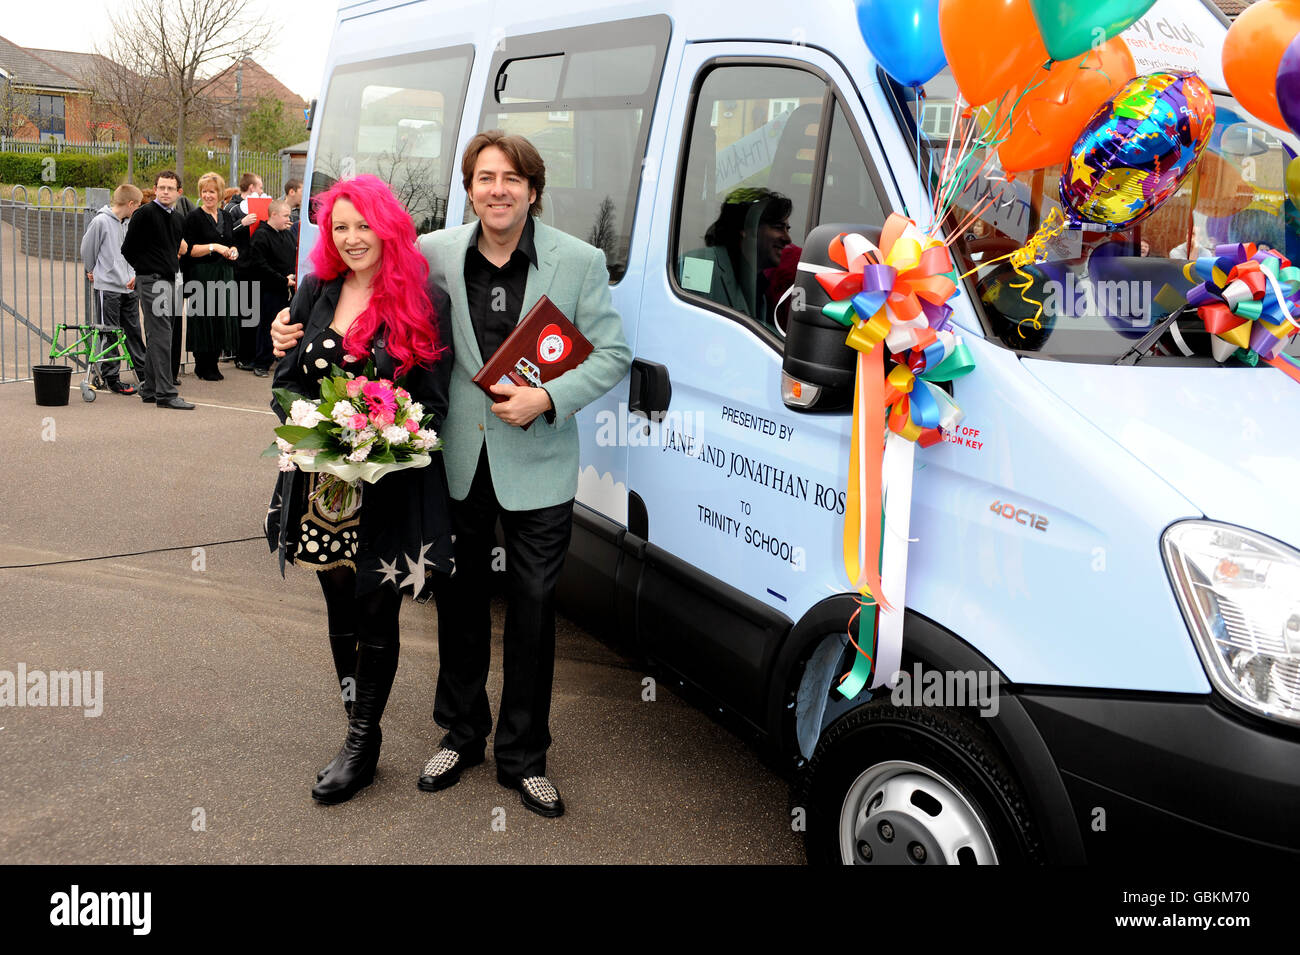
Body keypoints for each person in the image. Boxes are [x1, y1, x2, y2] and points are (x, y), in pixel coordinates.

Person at [272, 134, 632, 818]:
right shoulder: (433, 252)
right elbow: (351, 293)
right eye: (485, 178)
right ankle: (462, 733)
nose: (498, 189)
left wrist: (549, 397)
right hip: (454, 464)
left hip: (539, 464)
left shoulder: (578, 262)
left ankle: (524, 756)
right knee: (460, 604)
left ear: (532, 187)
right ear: (468, 187)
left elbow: (613, 351)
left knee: (532, 609)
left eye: (512, 178)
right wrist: (282, 331)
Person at [265, 174, 455, 805]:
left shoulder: (422, 295)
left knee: (378, 611)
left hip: (388, 486)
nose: (350, 239)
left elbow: (433, 401)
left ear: (388, 226)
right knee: (340, 613)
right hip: (324, 488)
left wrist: (383, 433)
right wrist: (311, 418)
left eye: (362, 225)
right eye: (338, 227)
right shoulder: (318, 288)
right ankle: (358, 732)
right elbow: (286, 382)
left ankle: (362, 741)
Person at [121, 170, 193, 410]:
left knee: (160, 335)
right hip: (151, 281)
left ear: (178, 192)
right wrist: (142, 272)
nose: (165, 192)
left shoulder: (178, 219)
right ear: (155, 189)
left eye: (170, 188)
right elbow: (128, 249)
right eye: (161, 187)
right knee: (162, 335)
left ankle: (150, 388)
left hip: (171, 281)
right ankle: (165, 393)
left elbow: (173, 251)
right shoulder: (144, 214)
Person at [679, 187, 793, 328]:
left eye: (787, 229)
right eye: (778, 227)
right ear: (746, 227)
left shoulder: (759, 287)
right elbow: (684, 329)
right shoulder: (699, 266)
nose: (788, 239)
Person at [81, 183, 144, 396]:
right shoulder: (100, 221)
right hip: (108, 287)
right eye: (137, 205)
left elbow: (133, 251)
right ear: (130, 203)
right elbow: (88, 248)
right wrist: (92, 270)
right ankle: (112, 378)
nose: (138, 209)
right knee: (110, 333)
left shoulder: (128, 223)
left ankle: (143, 373)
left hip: (128, 286)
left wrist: (134, 274)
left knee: (133, 331)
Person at [181, 172, 241, 381]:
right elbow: (189, 250)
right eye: (204, 191)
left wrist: (233, 250)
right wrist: (214, 247)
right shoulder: (194, 217)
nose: (208, 195)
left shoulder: (226, 216)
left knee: (220, 318)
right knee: (203, 319)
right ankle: (202, 364)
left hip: (224, 273)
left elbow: (232, 242)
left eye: (212, 191)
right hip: (202, 274)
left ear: (219, 193)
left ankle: (213, 362)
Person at [245, 198, 296, 377]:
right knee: (267, 326)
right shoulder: (261, 235)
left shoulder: (287, 234)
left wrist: (291, 277)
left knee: (284, 326)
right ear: (273, 215)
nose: (288, 219)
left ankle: (279, 359)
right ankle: (261, 362)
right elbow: (259, 265)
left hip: (285, 286)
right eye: (285, 216)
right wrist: (282, 280)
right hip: (269, 289)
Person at [226, 173, 264, 370]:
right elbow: (224, 233)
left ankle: (252, 354)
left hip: (255, 267)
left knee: (253, 313)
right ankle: (240, 355)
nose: (261, 191)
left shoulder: (260, 205)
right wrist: (243, 223)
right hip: (238, 268)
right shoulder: (232, 207)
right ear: (250, 188)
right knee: (242, 313)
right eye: (259, 187)